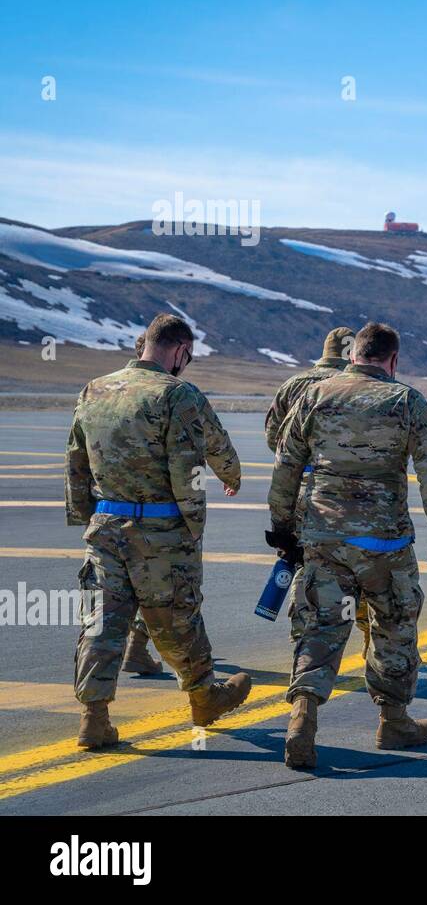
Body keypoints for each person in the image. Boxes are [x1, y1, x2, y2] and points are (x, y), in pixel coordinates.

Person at [269, 322, 427, 769]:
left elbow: (286, 466)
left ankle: (303, 716)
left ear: (354, 354)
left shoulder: (314, 396)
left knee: (318, 628)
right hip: (385, 543)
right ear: (392, 361)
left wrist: (283, 526)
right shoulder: (405, 400)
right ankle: (393, 721)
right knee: (393, 626)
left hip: (323, 537)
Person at [65, 313, 253, 749]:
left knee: (102, 620)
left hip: (106, 525)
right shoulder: (179, 394)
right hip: (161, 528)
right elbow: (199, 457)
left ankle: (94, 718)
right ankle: (205, 697)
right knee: (176, 616)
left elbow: (76, 458)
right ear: (180, 351)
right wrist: (208, 504)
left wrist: (87, 515)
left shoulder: (94, 388)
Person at [119, 331, 243, 677]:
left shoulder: (105, 389)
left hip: (113, 516)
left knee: (123, 587)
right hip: (166, 516)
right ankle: (196, 679)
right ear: (180, 352)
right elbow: (215, 441)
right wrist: (231, 475)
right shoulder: (180, 394)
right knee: (176, 588)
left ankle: (132, 651)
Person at [263, 327, 368, 652]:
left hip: (297, 493)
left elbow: (273, 438)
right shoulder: (356, 387)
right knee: (358, 567)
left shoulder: (293, 384)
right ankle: (369, 636)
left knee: (305, 566)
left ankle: (306, 644)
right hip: (342, 495)